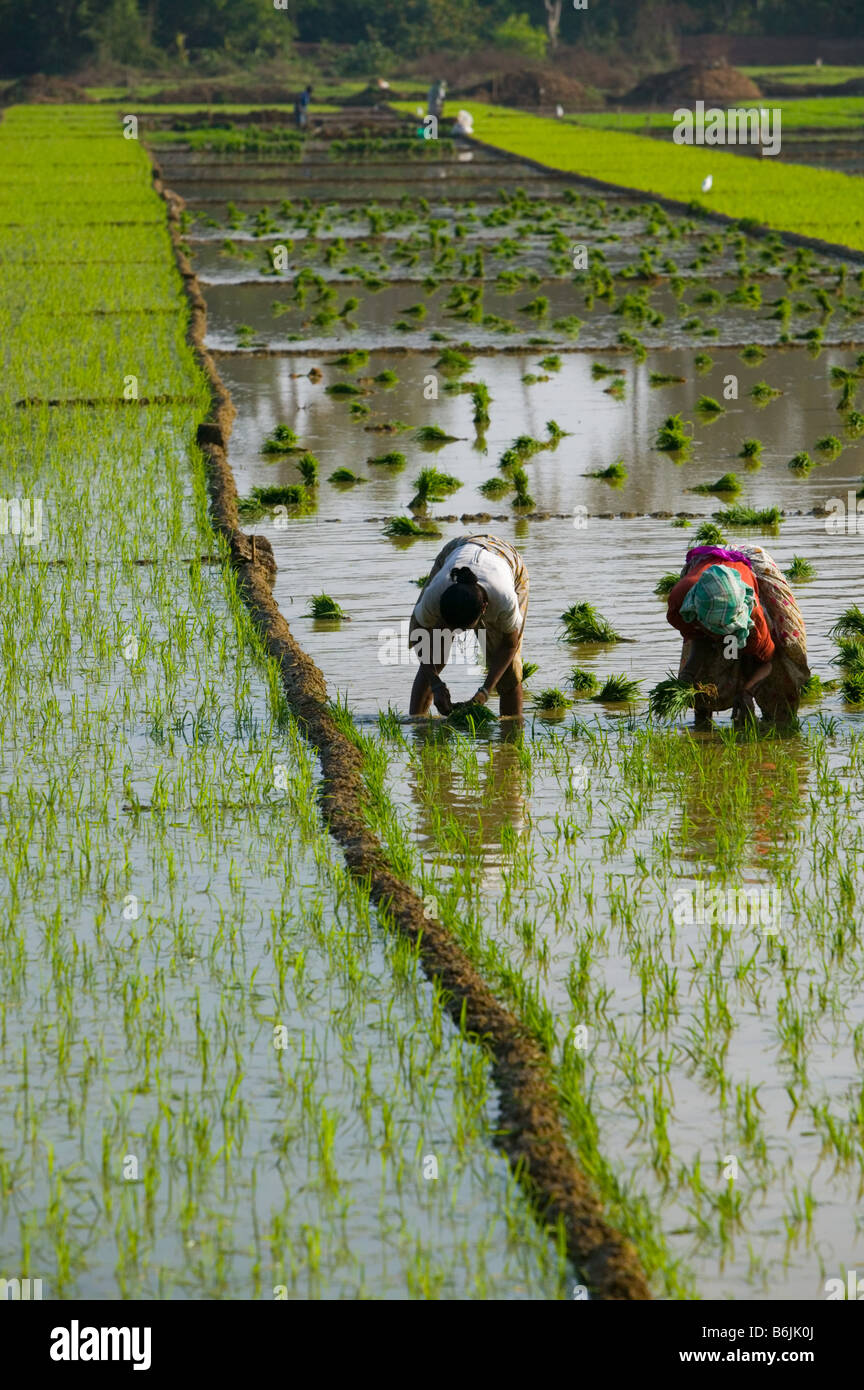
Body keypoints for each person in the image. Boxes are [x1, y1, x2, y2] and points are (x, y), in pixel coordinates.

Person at [666, 543, 809, 724]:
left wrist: (746, 690)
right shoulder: (680, 603)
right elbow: (698, 639)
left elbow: (767, 663)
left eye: (725, 629)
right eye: (714, 629)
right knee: (712, 663)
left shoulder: (753, 617)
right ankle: (702, 718)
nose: (720, 635)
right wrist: (688, 673)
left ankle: (777, 717)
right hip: (705, 570)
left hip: (755, 566)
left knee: (786, 646)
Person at [409, 534, 529, 718]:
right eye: (452, 627)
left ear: (484, 610)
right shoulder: (436, 593)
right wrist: (435, 682)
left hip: (507, 559)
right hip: (459, 547)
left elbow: (510, 645)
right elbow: (418, 635)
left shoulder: (504, 599)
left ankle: (510, 739)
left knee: (509, 674)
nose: (458, 633)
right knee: (433, 653)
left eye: (464, 628)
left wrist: (485, 691)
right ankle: (417, 727)